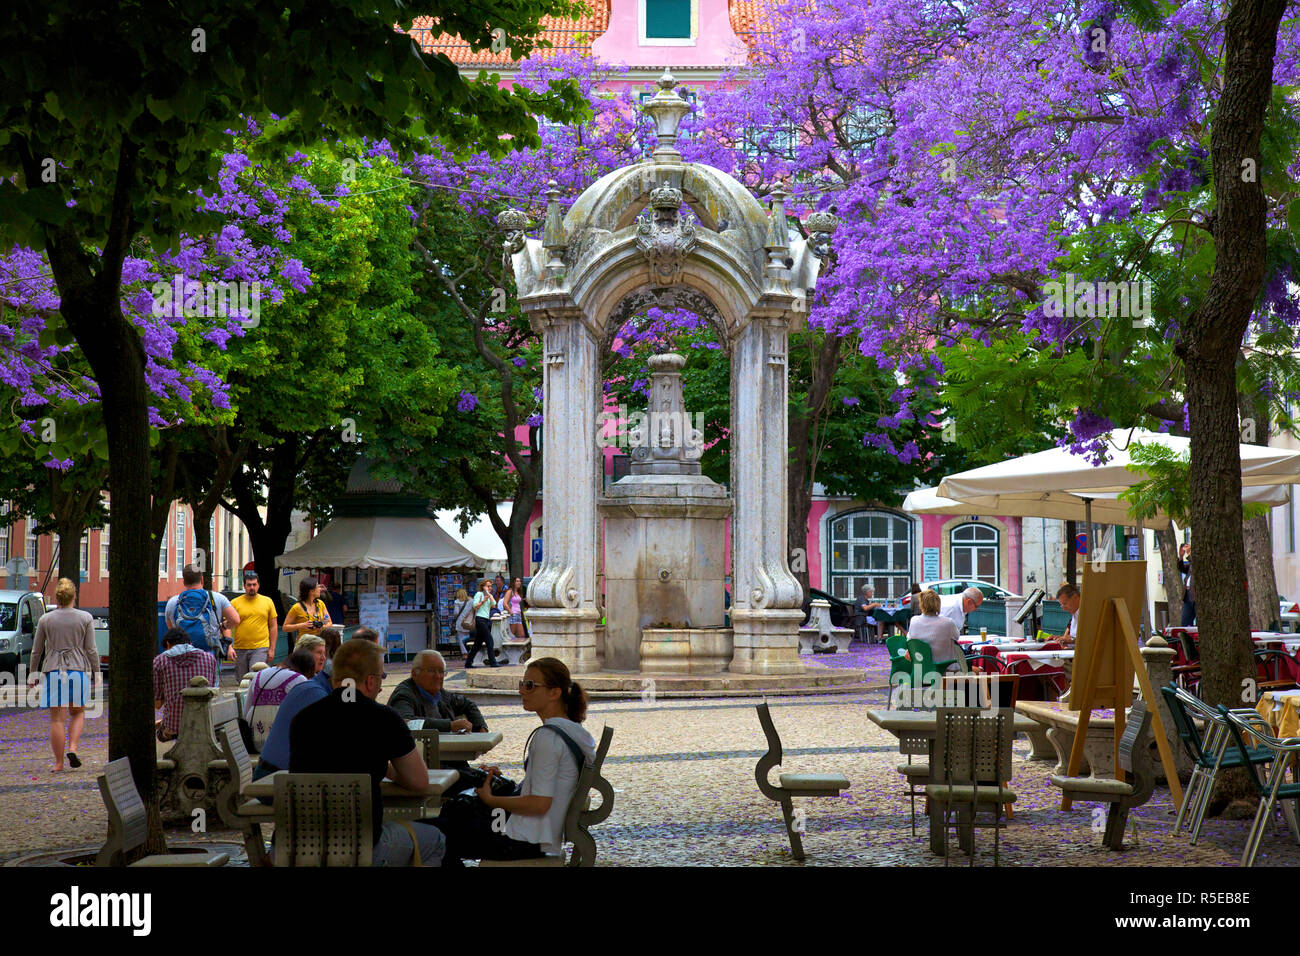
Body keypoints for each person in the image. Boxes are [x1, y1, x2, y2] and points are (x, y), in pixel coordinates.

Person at [290, 638, 445, 866]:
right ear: (371, 681)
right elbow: (420, 782)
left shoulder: (302, 719)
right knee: (435, 841)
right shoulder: (383, 719)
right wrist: (390, 770)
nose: (382, 686)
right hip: (360, 848)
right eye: (381, 677)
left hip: (302, 847)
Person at [431, 657, 595, 864]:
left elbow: (539, 803)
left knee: (431, 834)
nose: (522, 691)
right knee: (444, 824)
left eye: (530, 686)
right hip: (538, 833)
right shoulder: (576, 732)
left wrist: (491, 800)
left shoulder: (548, 738)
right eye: (522, 684)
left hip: (522, 838)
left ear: (555, 693)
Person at [27, 578, 97, 772]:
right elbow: (91, 649)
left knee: (57, 719)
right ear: (74, 596)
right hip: (77, 669)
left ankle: (58, 763)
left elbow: (37, 650)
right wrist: (97, 671)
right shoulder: (85, 618)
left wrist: (33, 672)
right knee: (78, 712)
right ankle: (73, 748)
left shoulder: (45, 619)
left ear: (57, 597)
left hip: (54, 670)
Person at [256, 636, 331, 779]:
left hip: (257, 741)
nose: (323, 658)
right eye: (318, 653)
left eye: (324, 653)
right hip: (275, 752)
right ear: (306, 655)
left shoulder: (261, 673)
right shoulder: (305, 684)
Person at [388, 650, 487, 736]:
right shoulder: (404, 695)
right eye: (431, 671)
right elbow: (406, 722)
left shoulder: (440, 694)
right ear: (414, 673)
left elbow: (467, 704)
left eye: (441, 671)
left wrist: (481, 727)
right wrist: (449, 726)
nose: (438, 676)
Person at [152, 626, 218, 742]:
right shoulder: (209, 659)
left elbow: (157, 704)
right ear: (190, 643)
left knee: (161, 731)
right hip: (205, 724)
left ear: (168, 644)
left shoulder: (160, 661)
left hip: (173, 728)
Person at [243, 647, 314, 752]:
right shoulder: (299, 678)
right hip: (281, 745)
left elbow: (246, 710)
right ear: (307, 669)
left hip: (253, 742)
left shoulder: (259, 675)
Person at [164, 565, 240, 661]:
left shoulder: (173, 602)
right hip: (209, 656)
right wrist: (223, 626)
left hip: (181, 656)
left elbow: (171, 628)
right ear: (202, 579)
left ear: (184, 582)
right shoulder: (217, 598)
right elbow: (235, 620)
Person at [230, 570, 278, 679]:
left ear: (258, 585)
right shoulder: (235, 603)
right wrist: (229, 647)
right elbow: (227, 625)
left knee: (256, 678)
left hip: (260, 647)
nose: (252, 587)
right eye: (249, 585)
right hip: (240, 648)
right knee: (242, 681)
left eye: (254, 585)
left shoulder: (267, 601)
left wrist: (272, 649)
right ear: (244, 586)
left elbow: (273, 626)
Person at [906, 589, 967, 673]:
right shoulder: (948, 622)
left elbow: (910, 639)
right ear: (938, 604)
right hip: (946, 669)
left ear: (921, 604)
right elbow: (956, 637)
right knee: (975, 669)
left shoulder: (914, 621)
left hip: (922, 670)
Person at [282, 577, 332, 643]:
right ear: (311, 591)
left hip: (319, 643)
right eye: (317, 587)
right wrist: (301, 625)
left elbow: (329, 623)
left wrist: (322, 627)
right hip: (304, 644)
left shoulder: (320, 604)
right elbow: (285, 628)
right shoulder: (296, 607)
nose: (320, 589)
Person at [465, 578, 499, 668]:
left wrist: (490, 597)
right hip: (480, 619)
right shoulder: (479, 594)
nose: (490, 588)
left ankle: (468, 662)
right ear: (483, 587)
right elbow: (475, 606)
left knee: (477, 644)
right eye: (488, 586)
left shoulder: (489, 595)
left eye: (491, 586)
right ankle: (493, 662)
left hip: (486, 619)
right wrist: (483, 600)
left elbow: (494, 605)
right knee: (489, 640)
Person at [1177, 544, 1196, 626]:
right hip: (1187, 594)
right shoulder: (1190, 566)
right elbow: (1181, 568)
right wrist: (1181, 557)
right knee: (1185, 621)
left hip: (1195, 594)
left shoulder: (1195, 563)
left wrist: (1189, 554)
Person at [451, 587, 473, 655]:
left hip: (460, 622)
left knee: (461, 639)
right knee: (470, 638)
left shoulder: (457, 602)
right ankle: (471, 651)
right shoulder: (471, 600)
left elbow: (456, 613)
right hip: (470, 622)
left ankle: (465, 653)